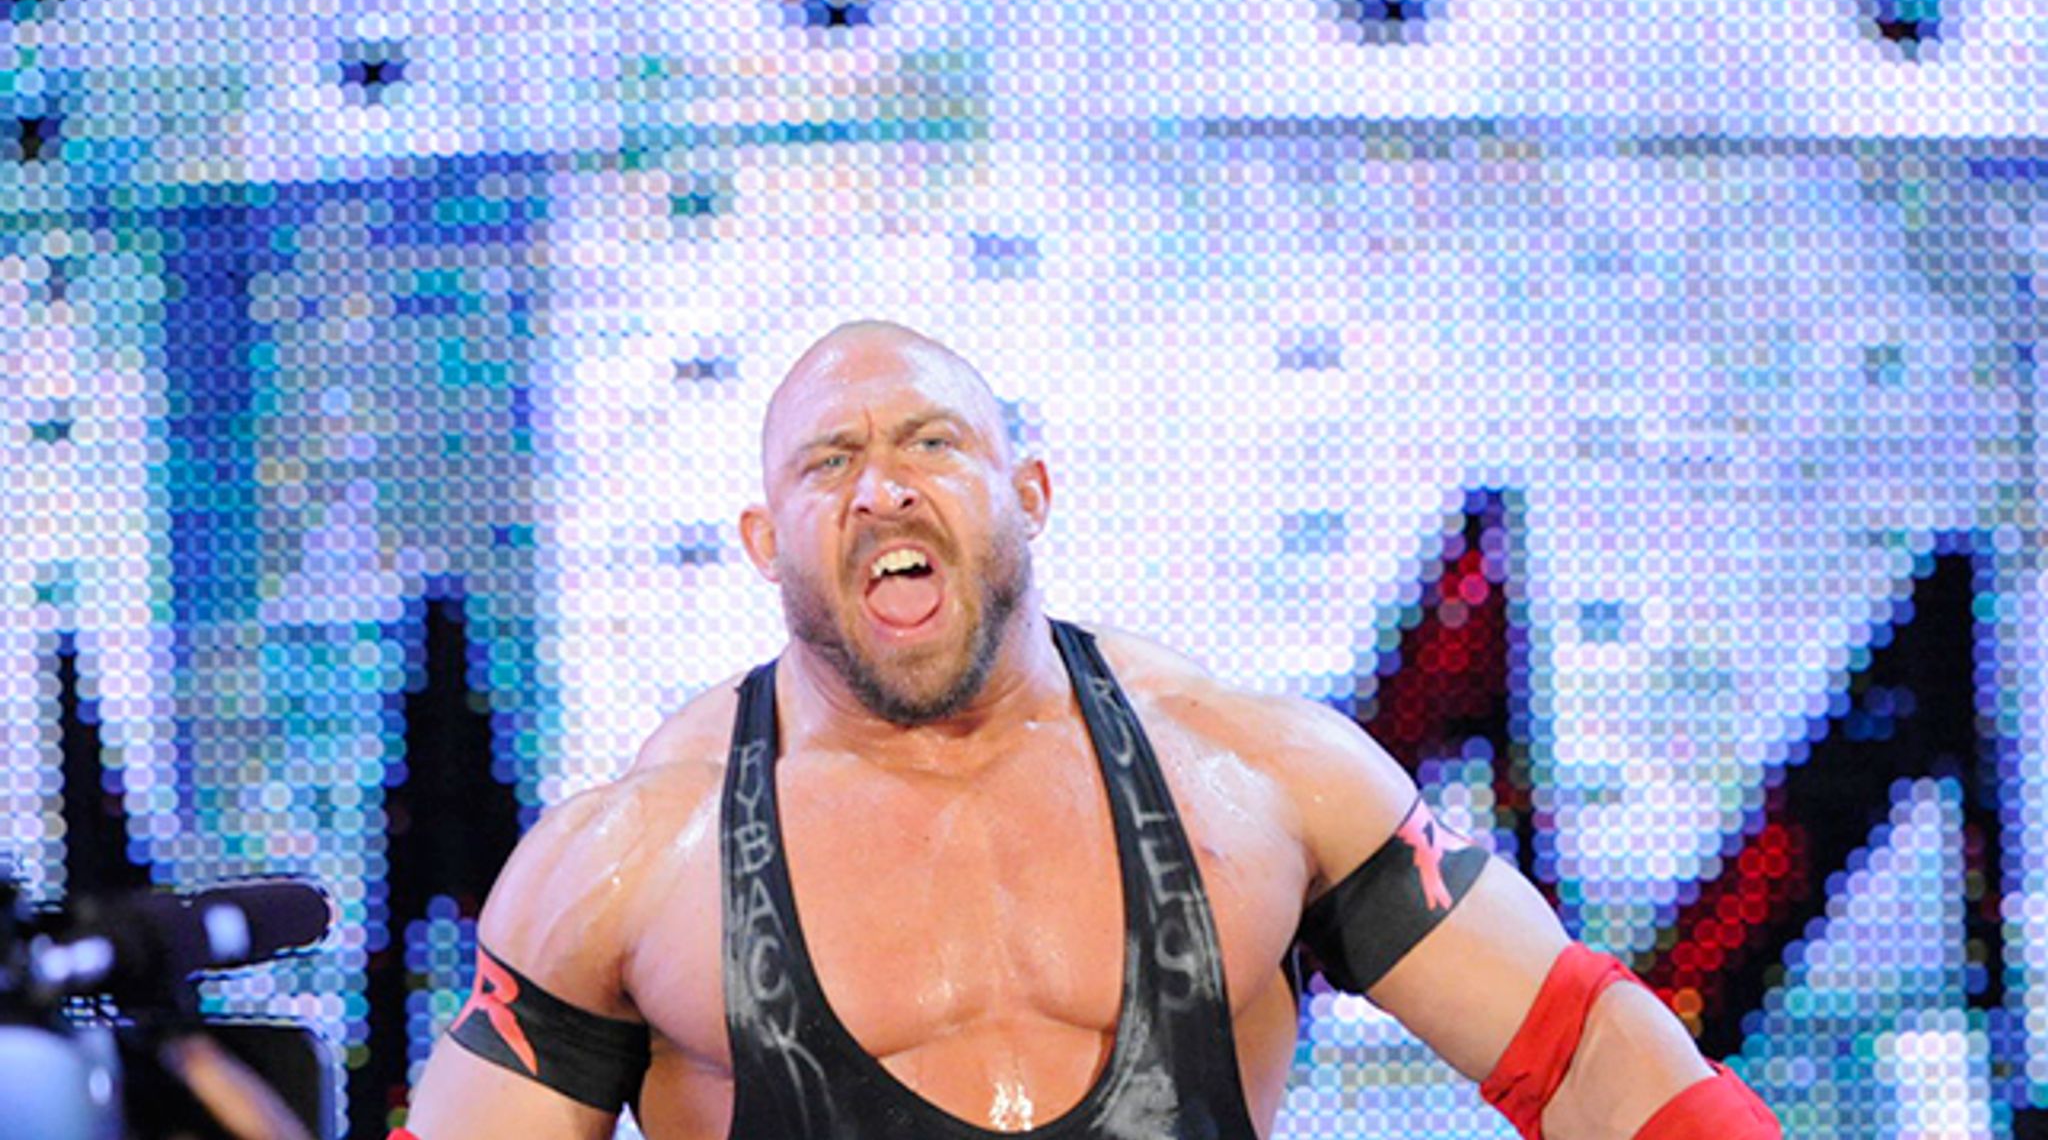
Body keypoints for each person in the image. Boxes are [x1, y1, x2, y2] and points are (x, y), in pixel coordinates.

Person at [395, 321, 1779, 1139]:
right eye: (830, 462)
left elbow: (1583, 1049)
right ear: (767, 541)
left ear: (1030, 494)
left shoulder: (1260, 779)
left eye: (931, 442)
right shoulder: (633, 861)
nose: (881, 489)